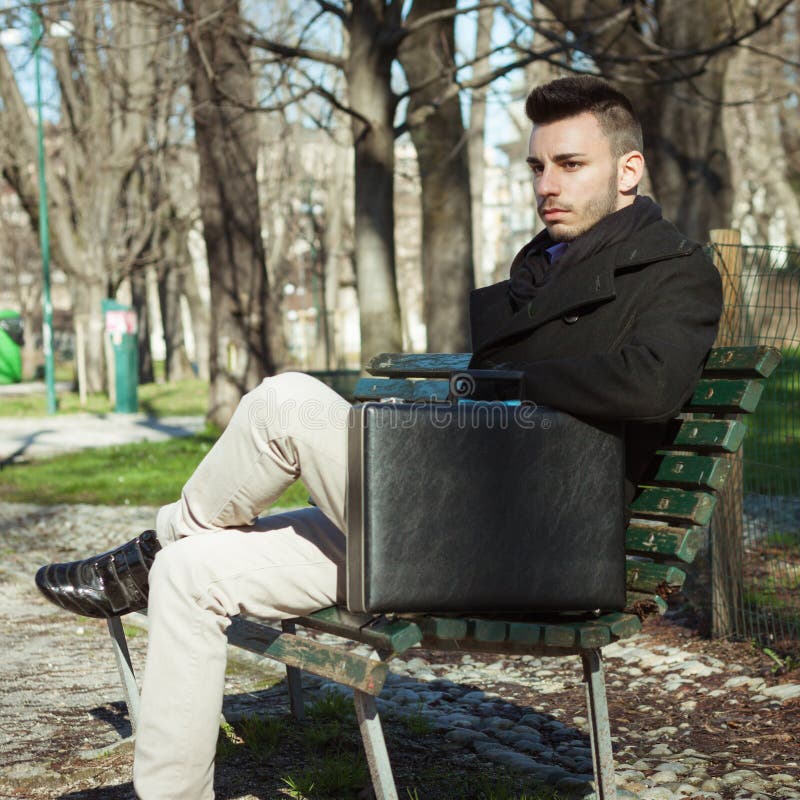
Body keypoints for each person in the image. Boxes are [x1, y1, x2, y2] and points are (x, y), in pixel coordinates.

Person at [35, 75, 722, 799]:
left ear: (628, 170)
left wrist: (509, 385)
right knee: (191, 575)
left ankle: (150, 546)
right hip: (460, 519)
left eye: (570, 164)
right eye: (537, 166)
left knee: (287, 402)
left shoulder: (673, 272)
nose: (547, 183)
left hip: (540, 543)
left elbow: (652, 384)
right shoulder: (542, 270)